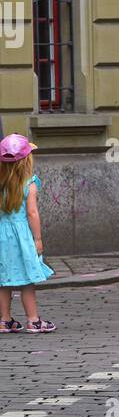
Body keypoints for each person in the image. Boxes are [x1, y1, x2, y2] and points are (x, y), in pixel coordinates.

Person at [0, 134, 55, 333]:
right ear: (26, 160)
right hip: (21, 236)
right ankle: (33, 320)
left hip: (1, 234)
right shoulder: (29, 183)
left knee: (3, 280)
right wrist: (38, 239)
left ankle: (5, 320)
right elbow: (32, 213)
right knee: (27, 281)